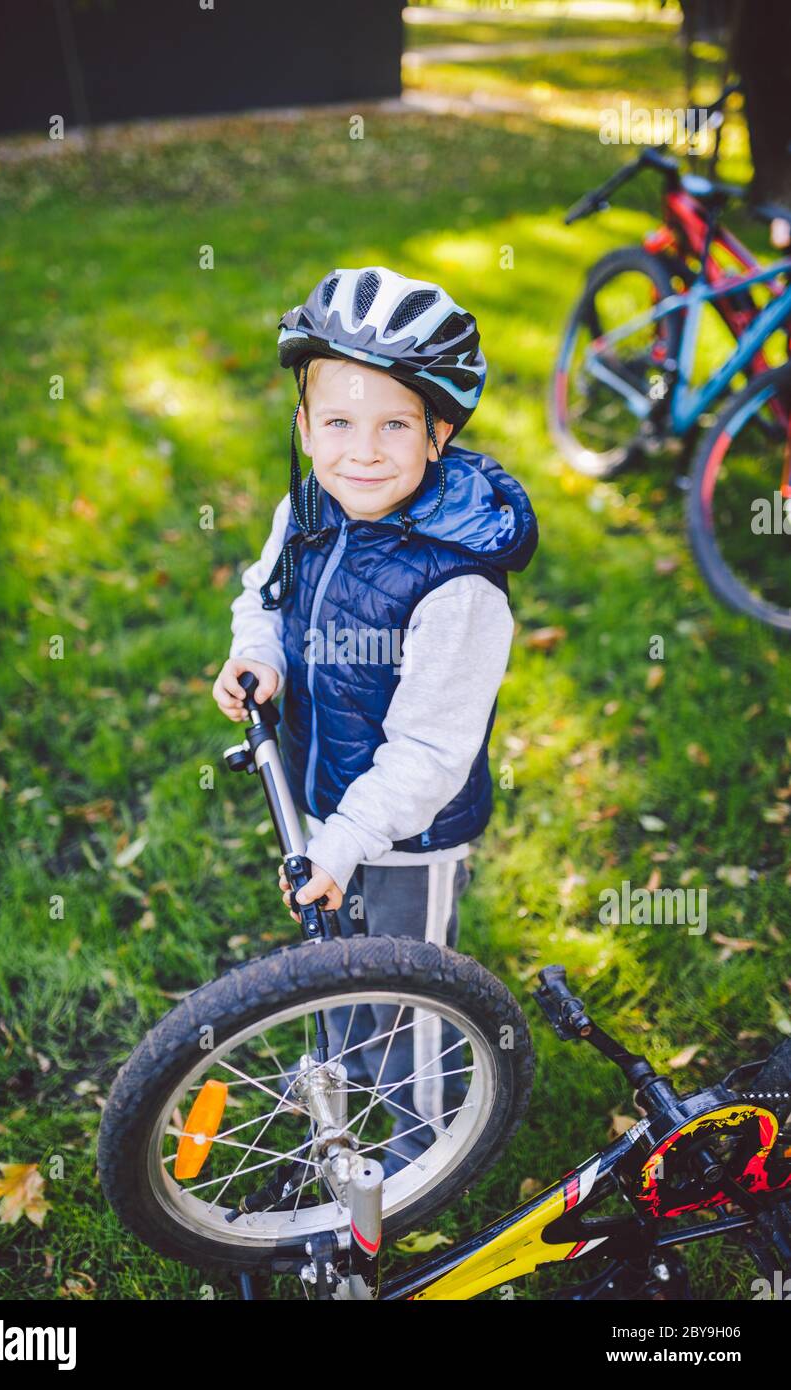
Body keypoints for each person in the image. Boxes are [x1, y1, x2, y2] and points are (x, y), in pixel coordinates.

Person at [212, 265, 538, 1177]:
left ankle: (417, 1155)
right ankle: (338, 1070)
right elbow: (265, 596)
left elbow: (433, 750)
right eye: (339, 422)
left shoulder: (459, 587)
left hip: (410, 826)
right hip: (329, 794)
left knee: (407, 992)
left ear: (439, 433)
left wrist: (350, 834)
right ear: (305, 425)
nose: (362, 450)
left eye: (394, 423)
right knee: (334, 956)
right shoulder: (311, 504)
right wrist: (260, 658)